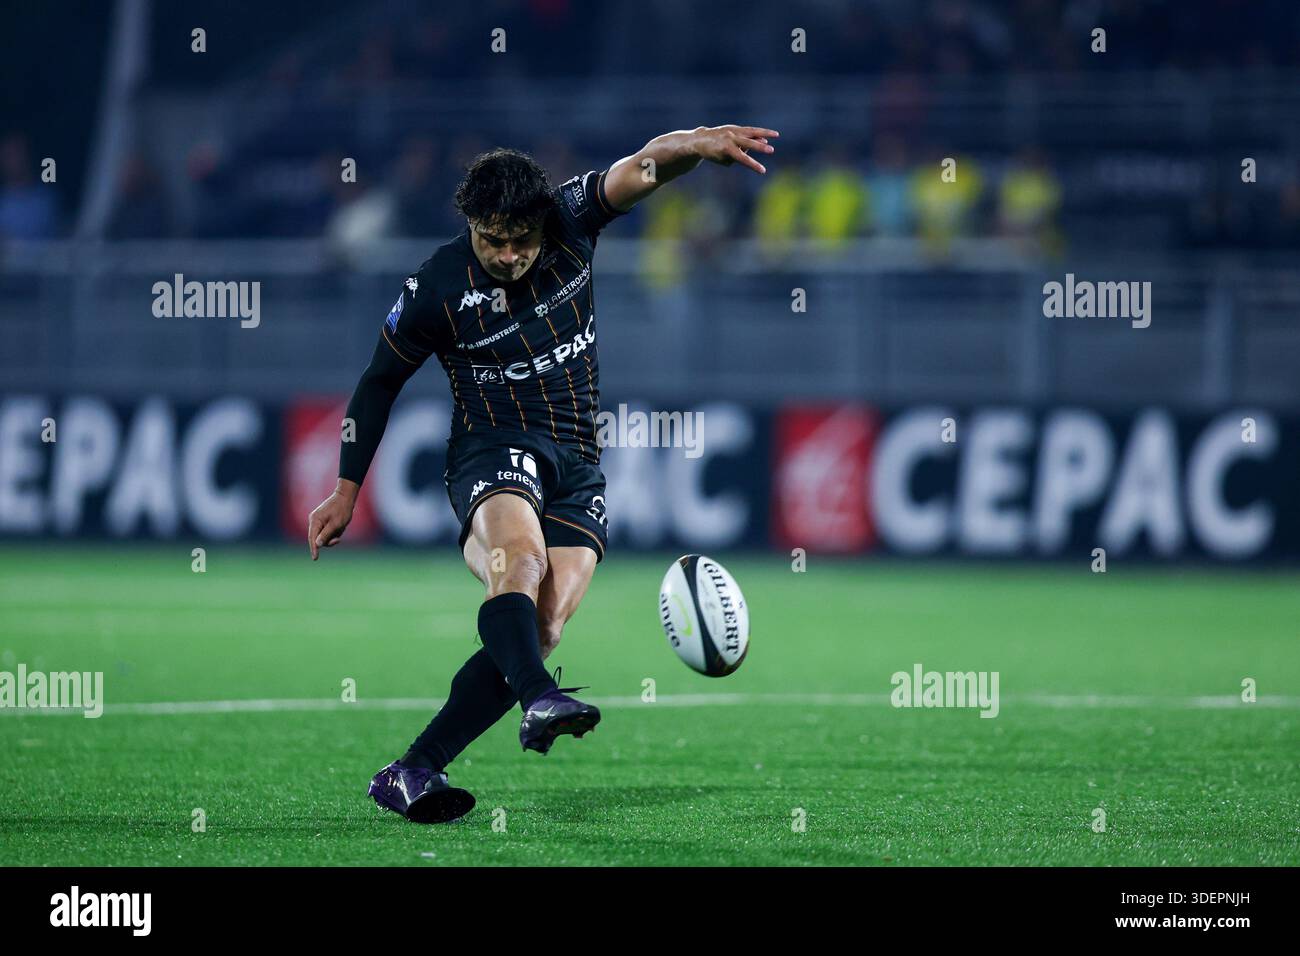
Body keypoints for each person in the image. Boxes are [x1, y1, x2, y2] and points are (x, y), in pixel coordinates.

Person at [307, 125, 778, 823]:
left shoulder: (570, 218)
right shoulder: (436, 287)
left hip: (578, 466)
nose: (508, 254)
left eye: (520, 240)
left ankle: (410, 772)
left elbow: (642, 167)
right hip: (490, 452)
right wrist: (347, 486)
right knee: (518, 565)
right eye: (492, 239)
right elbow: (378, 384)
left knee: (545, 627)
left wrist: (698, 144)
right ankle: (540, 699)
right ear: (470, 222)